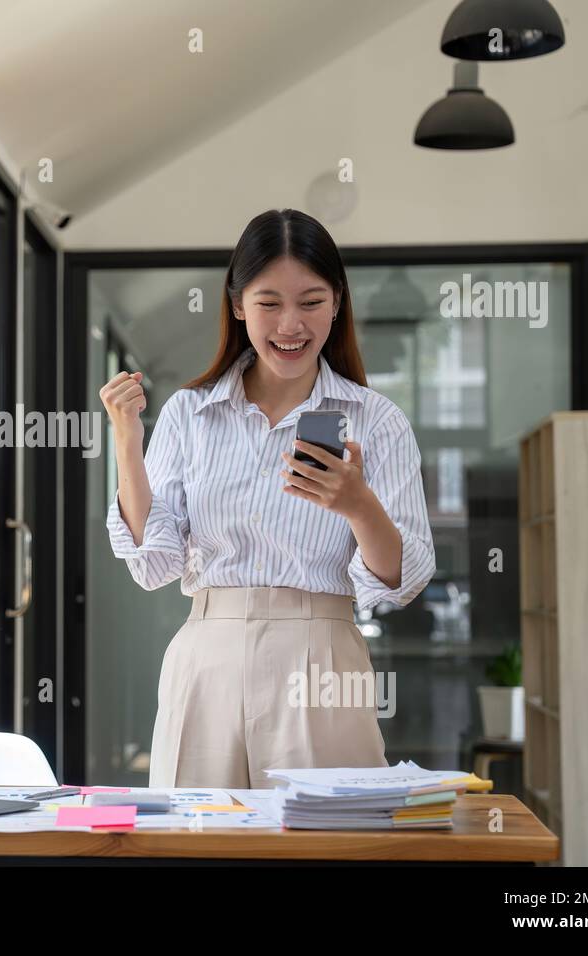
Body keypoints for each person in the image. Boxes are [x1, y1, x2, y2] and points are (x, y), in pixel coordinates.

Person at [99, 208, 435, 789]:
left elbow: (401, 580)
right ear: (236, 304)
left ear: (337, 303)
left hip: (322, 657)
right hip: (207, 658)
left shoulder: (375, 422)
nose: (291, 324)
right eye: (269, 302)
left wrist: (357, 504)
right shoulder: (189, 413)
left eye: (310, 302)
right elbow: (153, 565)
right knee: (196, 850)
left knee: (327, 848)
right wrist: (127, 439)